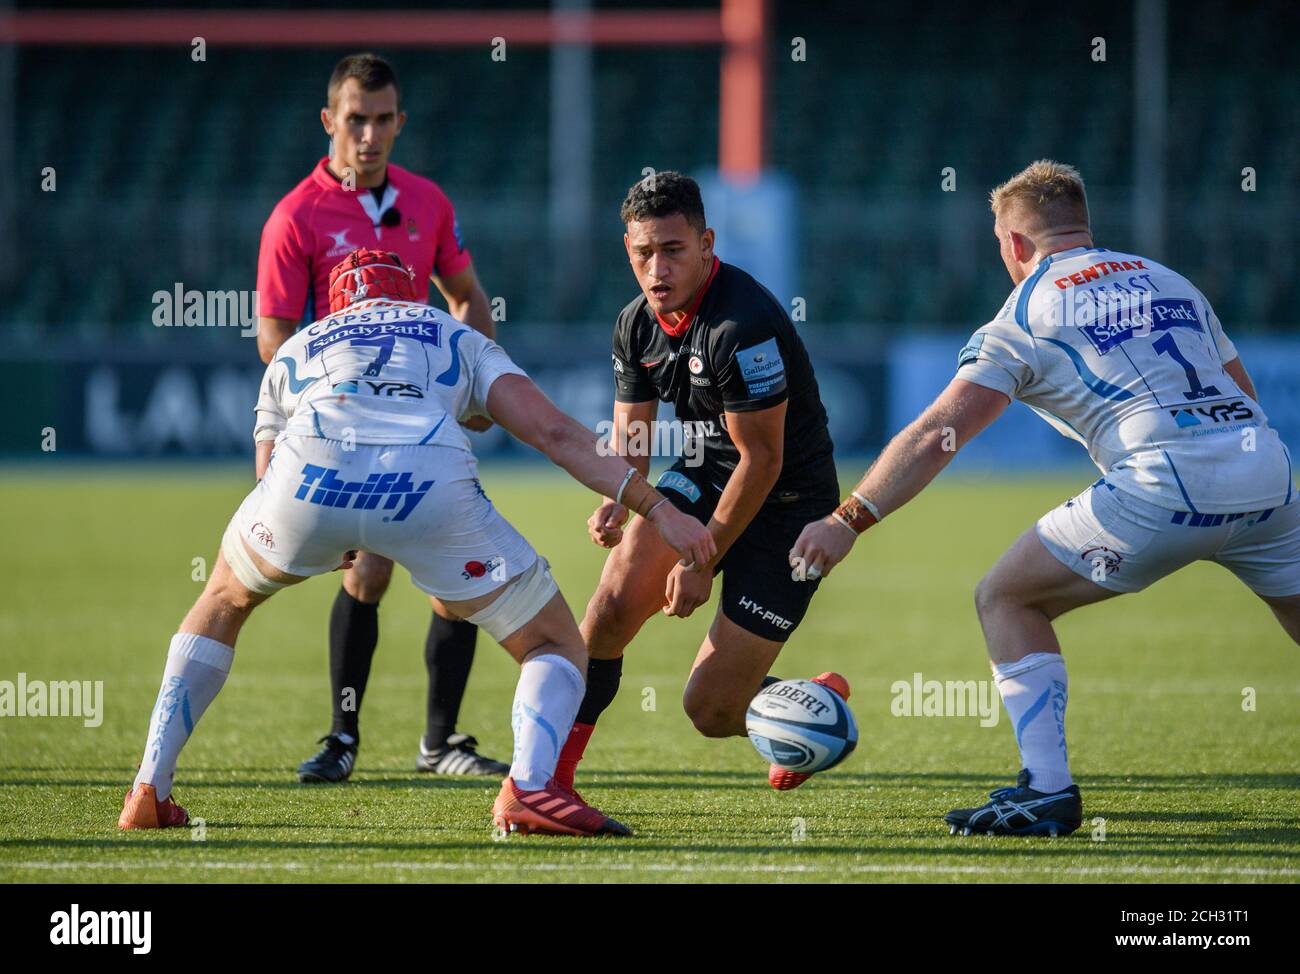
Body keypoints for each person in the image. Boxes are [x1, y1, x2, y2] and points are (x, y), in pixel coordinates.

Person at [118, 248, 715, 837]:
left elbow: (266, 471)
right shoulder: (451, 334)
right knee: (554, 642)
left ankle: (150, 785)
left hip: (305, 481)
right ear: (412, 294)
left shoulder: (299, 346)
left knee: (222, 600)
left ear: (336, 301)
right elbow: (554, 432)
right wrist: (655, 507)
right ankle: (529, 789)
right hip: (426, 486)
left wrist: (333, 533)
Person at [790, 160, 1300, 836]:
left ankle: (1047, 790)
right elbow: (1244, 394)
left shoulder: (1028, 308)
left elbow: (942, 431)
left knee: (1007, 596)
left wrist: (848, 518)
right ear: (1084, 224)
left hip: (1163, 479)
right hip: (1264, 463)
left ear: (1013, 244)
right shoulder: (1169, 280)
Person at [553, 171, 848, 801]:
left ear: (707, 243)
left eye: (673, 250)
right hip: (704, 473)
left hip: (788, 510)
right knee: (604, 616)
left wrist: (701, 560)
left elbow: (763, 462)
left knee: (710, 712)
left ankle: (808, 707)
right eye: (643, 253)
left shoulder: (744, 325)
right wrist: (616, 497)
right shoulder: (636, 324)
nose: (657, 268)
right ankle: (552, 781)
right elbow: (633, 437)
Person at [255, 52, 504, 782]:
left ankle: (440, 743)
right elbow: (274, 336)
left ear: (400, 122)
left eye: (381, 119)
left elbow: (466, 296)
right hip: (344, 427)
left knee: (455, 577)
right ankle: (342, 737)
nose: (368, 134)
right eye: (354, 119)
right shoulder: (295, 216)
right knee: (365, 575)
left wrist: (481, 377)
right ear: (330, 121)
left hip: (423, 417)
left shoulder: (427, 201)